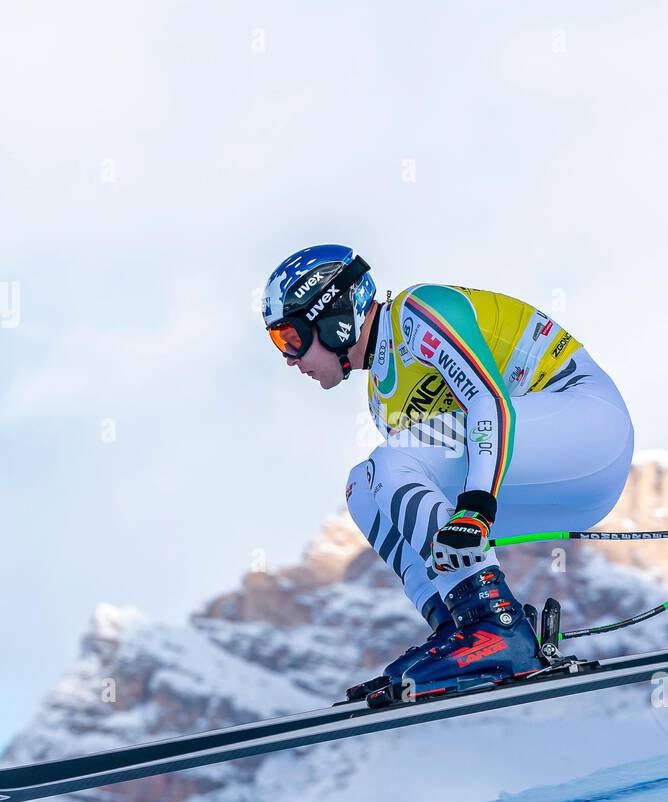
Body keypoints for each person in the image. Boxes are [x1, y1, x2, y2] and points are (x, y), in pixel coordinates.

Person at [262, 244, 635, 705]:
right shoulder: (383, 397)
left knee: (393, 462)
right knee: (364, 486)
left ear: (334, 316)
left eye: (289, 338)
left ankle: (493, 623)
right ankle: (459, 626)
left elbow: (488, 401)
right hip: (552, 474)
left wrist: (476, 507)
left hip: (586, 425)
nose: (288, 358)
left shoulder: (417, 313)